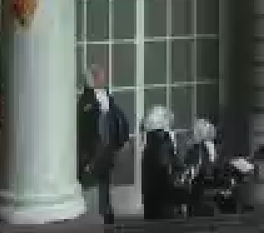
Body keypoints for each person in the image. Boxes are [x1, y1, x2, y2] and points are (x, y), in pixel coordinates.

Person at [77, 63, 131, 224]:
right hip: (93, 155)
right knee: (94, 191)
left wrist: (121, 139)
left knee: (105, 189)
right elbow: (86, 129)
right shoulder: (85, 101)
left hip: (107, 152)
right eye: (101, 75)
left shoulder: (107, 96)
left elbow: (117, 118)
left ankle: (107, 220)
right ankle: (97, 223)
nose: (104, 78)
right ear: (93, 79)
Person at [139, 106, 184, 220]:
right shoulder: (161, 144)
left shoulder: (153, 145)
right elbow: (166, 169)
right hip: (162, 201)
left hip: (155, 198)